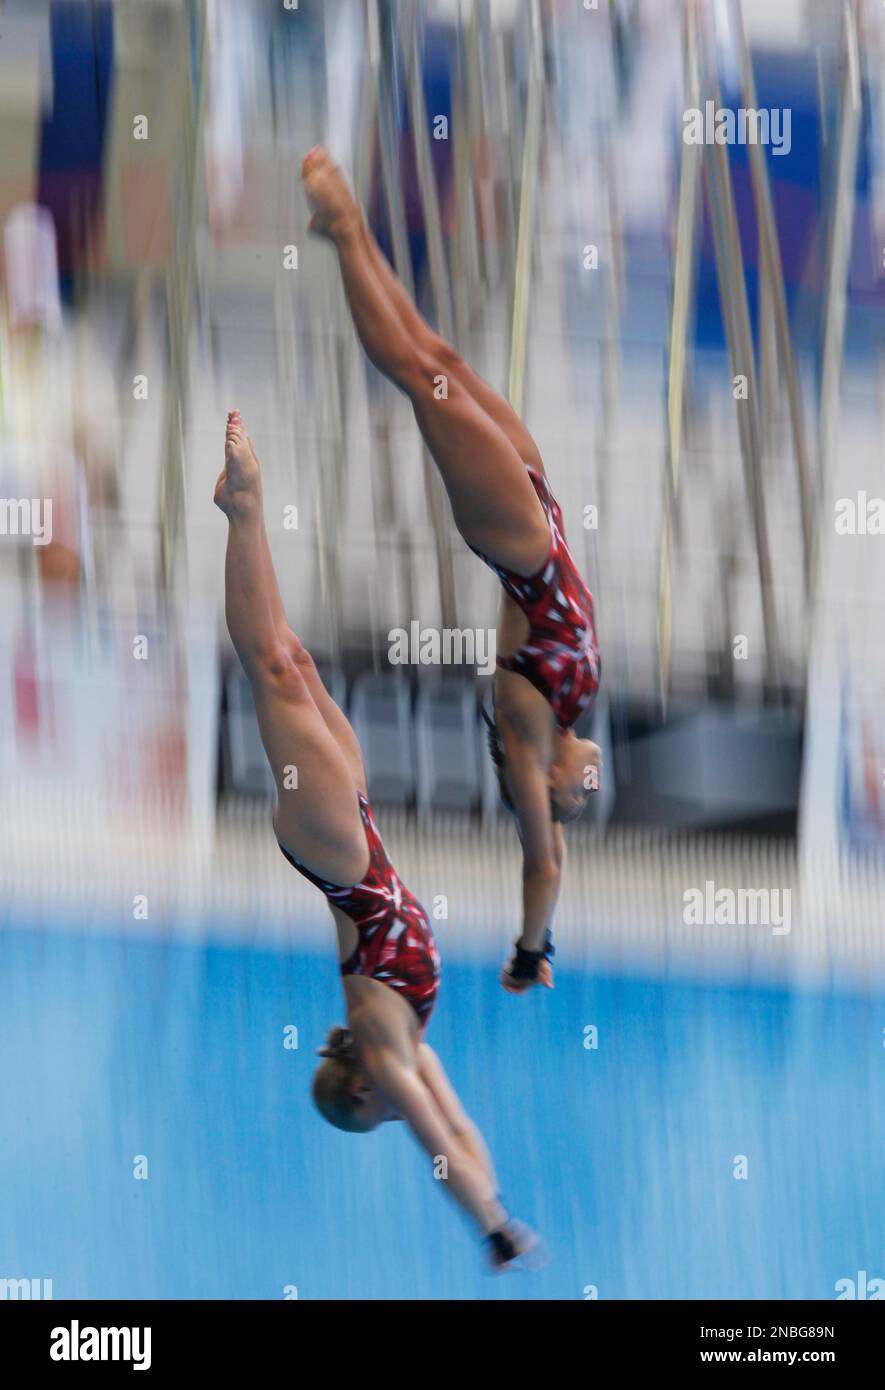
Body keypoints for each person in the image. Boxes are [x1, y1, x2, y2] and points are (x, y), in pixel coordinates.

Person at [215, 410, 539, 1271]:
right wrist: (500, 1214)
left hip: (337, 852)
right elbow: (460, 1131)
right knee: (295, 663)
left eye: (375, 1113)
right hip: (354, 831)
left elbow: (433, 1147)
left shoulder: (387, 1049)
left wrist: (490, 1235)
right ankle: (244, 511)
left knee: (276, 673)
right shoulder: (407, 1051)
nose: (395, 1111)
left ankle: (243, 510)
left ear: (361, 1087)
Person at [301, 147, 601, 993]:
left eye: (574, 802)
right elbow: (556, 847)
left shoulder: (525, 732)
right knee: (441, 361)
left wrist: (528, 952)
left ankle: (344, 231)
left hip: (516, 541)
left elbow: (542, 863)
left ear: (542, 784)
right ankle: (348, 228)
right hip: (537, 507)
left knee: (419, 377)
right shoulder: (559, 725)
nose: (589, 792)